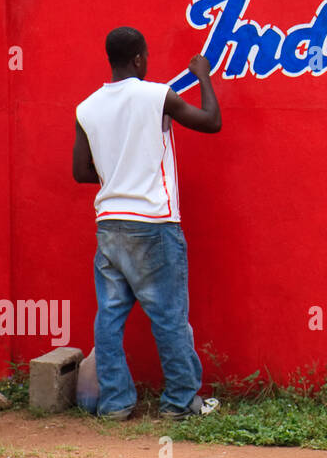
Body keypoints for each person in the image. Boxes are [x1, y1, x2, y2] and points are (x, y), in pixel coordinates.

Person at [72, 27, 223, 420]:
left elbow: (81, 172)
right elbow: (210, 122)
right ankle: (180, 403)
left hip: (109, 225)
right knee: (169, 316)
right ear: (139, 59)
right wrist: (203, 74)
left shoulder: (86, 108)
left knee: (109, 317)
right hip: (154, 223)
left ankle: (116, 404)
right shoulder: (157, 95)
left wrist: (118, 174)